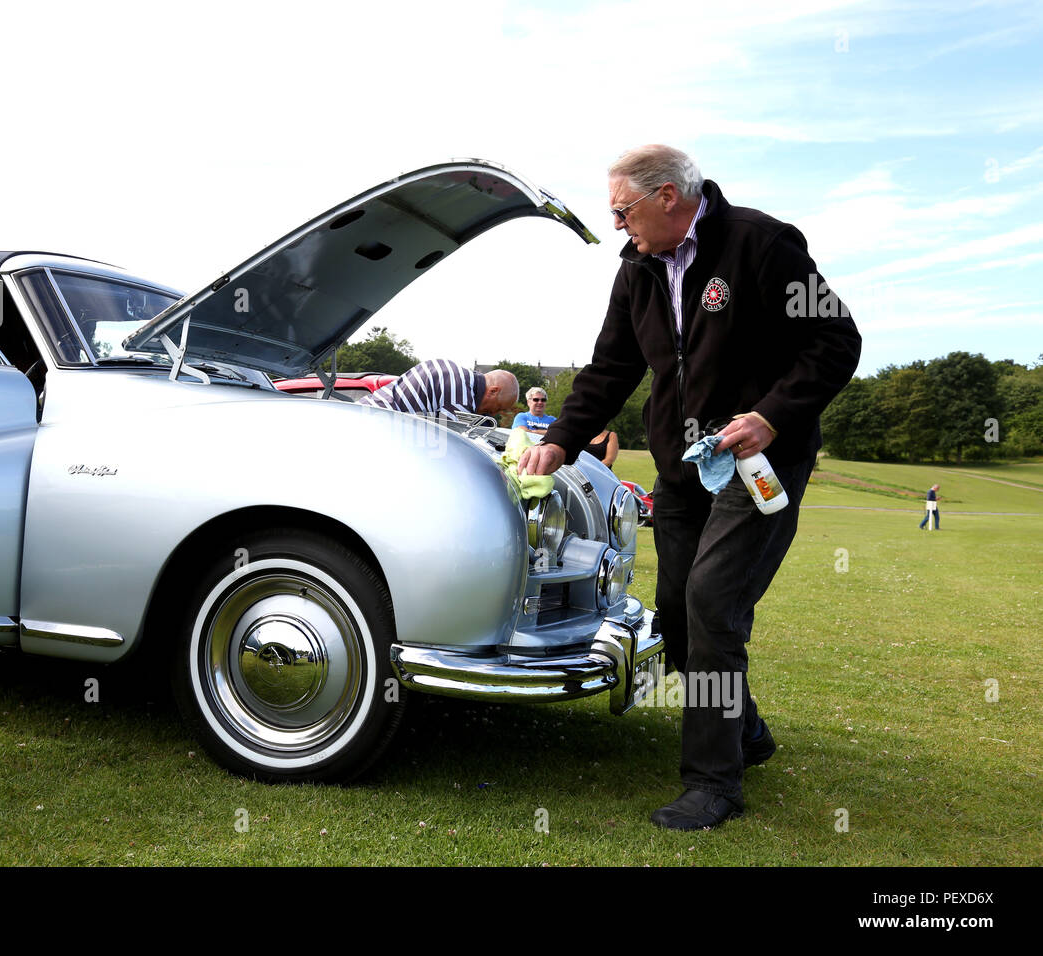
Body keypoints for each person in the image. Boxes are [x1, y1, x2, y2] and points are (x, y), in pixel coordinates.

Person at [518, 145, 862, 830]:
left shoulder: (762, 244)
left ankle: (713, 782)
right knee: (674, 617)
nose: (616, 224)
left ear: (668, 196)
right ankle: (746, 733)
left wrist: (770, 416)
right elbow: (610, 368)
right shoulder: (637, 271)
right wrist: (558, 438)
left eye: (622, 209)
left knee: (712, 600)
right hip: (681, 472)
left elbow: (837, 340)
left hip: (761, 462)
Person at [358, 359, 518, 420]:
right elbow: (445, 445)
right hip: (376, 422)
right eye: (497, 408)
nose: (492, 413)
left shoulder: (455, 372)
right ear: (493, 391)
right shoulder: (461, 396)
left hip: (364, 410)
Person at [516, 387, 620, 467]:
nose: (540, 402)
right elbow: (522, 431)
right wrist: (550, 433)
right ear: (528, 401)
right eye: (536, 399)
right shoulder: (522, 416)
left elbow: (562, 434)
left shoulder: (552, 420)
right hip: (526, 458)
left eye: (543, 400)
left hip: (548, 460)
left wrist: (532, 431)